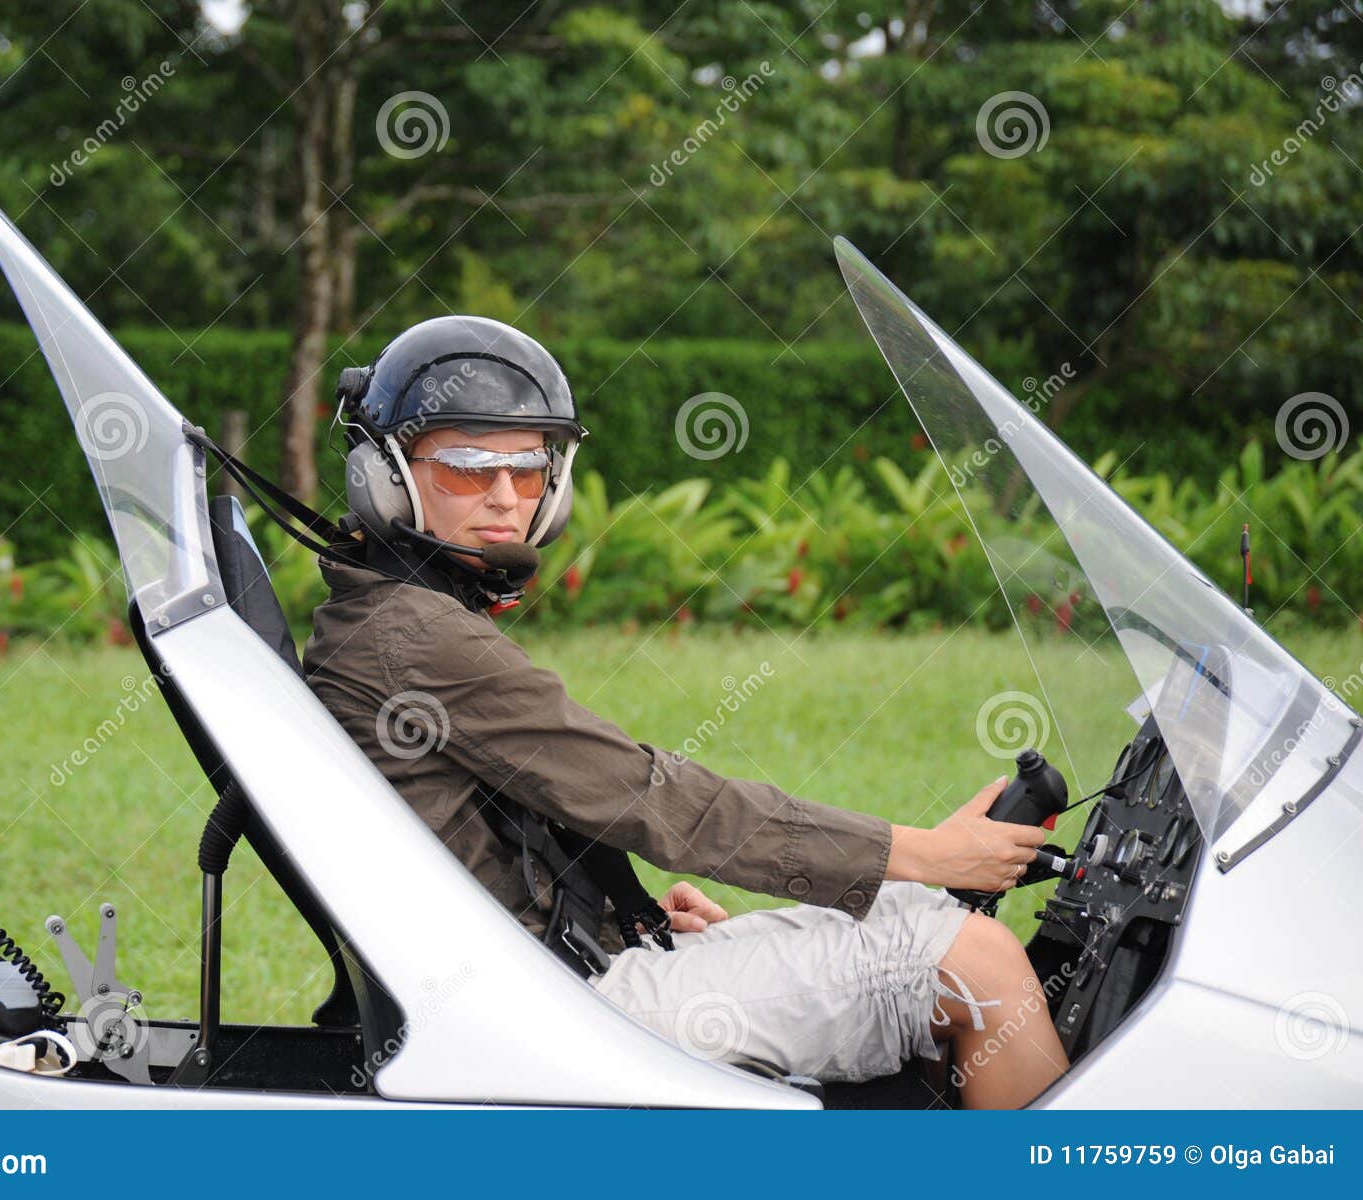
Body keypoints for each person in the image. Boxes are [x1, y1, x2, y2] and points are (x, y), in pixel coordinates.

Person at [302, 315, 1069, 1109]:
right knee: (971, 955)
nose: (505, 497)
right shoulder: (415, 639)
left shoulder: (389, 615)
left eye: (529, 469)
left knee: (913, 917)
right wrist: (923, 853)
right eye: (466, 466)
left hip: (532, 985)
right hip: (543, 1017)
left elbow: (495, 831)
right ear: (386, 477)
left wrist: (616, 915)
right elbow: (652, 795)